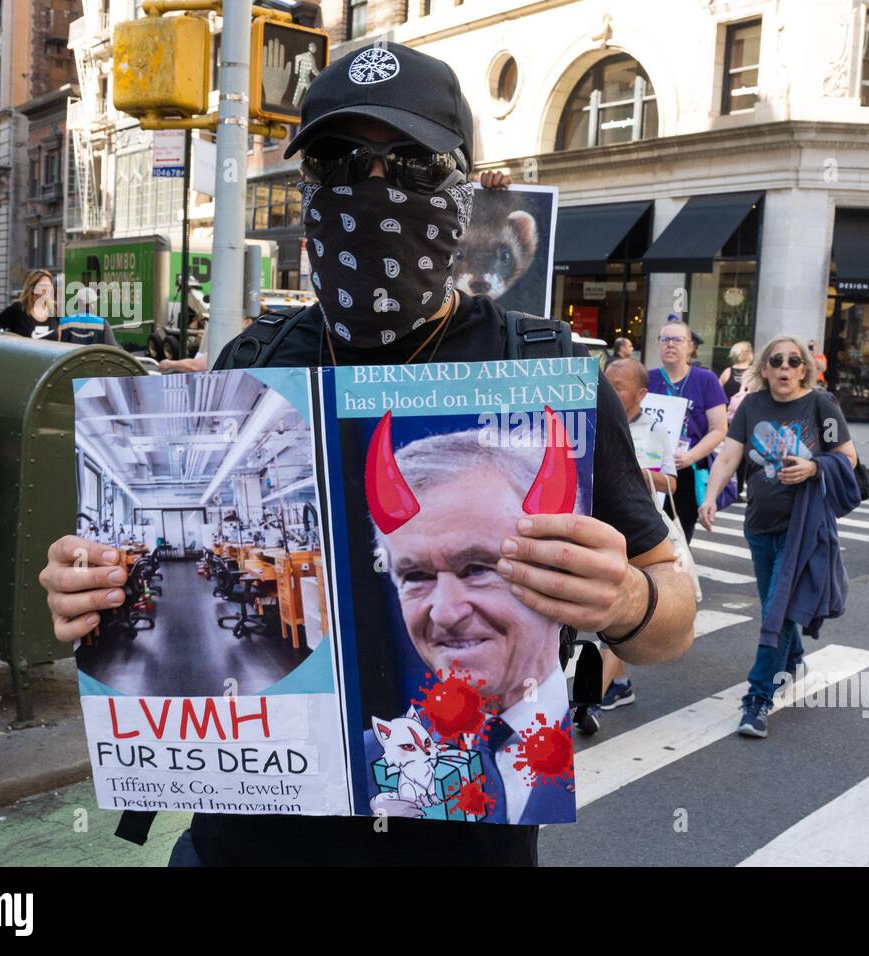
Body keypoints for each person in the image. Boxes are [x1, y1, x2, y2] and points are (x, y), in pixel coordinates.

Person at [38, 40, 695, 867]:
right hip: (246, 844)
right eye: (340, 162)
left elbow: (671, 615)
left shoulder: (542, 373)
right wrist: (87, 588)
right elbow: (125, 568)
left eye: (413, 165)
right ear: (308, 189)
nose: (372, 191)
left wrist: (626, 600)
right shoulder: (254, 362)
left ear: (462, 189)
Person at [367, 431, 572, 823]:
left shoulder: (622, 747)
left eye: (478, 568)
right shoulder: (370, 762)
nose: (444, 612)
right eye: (415, 575)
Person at [697, 336, 858, 738]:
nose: (784, 368)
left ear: (804, 368)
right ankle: (795, 657)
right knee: (778, 606)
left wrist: (813, 467)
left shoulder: (821, 405)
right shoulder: (752, 406)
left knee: (777, 610)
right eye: (776, 361)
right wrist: (711, 497)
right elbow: (730, 456)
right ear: (764, 369)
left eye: (792, 362)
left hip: (802, 527)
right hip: (759, 526)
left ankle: (757, 701)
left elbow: (848, 458)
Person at [593, 357, 678, 724]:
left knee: (616, 611)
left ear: (641, 394)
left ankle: (590, 699)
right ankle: (622, 683)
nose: (609, 391)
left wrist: (635, 474)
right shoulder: (594, 420)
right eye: (606, 382)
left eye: (619, 386)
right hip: (602, 529)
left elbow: (671, 483)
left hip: (640, 535)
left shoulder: (656, 431)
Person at [647, 320, 727, 542]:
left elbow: (719, 429)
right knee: (649, 537)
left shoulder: (706, 380)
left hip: (687, 471)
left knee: (679, 540)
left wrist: (690, 456)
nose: (670, 345)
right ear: (658, 344)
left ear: (690, 346)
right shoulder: (648, 378)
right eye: (665, 339)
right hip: (652, 470)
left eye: (677, 340)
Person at [0, 270, 59, 340]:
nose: (47, 289)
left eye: (49, 286)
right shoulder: (18, 308)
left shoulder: (54, 309)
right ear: (32, 288)